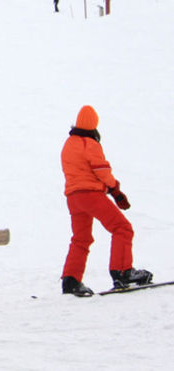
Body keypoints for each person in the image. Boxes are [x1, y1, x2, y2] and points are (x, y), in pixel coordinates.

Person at [60, 106, 151, 297]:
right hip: (91, 195)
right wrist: (115, 190)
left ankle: (71, 280)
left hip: (73, 198)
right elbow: (102, 171)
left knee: (81, 238)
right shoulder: (89, 143)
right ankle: (123, 271)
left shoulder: (69, 144)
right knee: (122, 228)